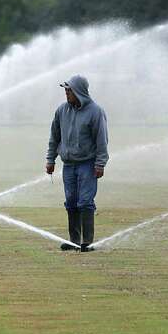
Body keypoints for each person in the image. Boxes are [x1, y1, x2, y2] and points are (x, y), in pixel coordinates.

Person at [46, 75, 108, 252]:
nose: (66, 93)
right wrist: (50, 159)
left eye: (69, 90)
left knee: (85, 202)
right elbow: (54, 137)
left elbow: (102, 140)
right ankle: (74, 241)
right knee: (71, 202)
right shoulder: (61, 111)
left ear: (79, 91)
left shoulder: (96, 112)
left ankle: (87, 242)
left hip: (87, 164)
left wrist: (100, 164)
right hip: (69, 165)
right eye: (65, 90)